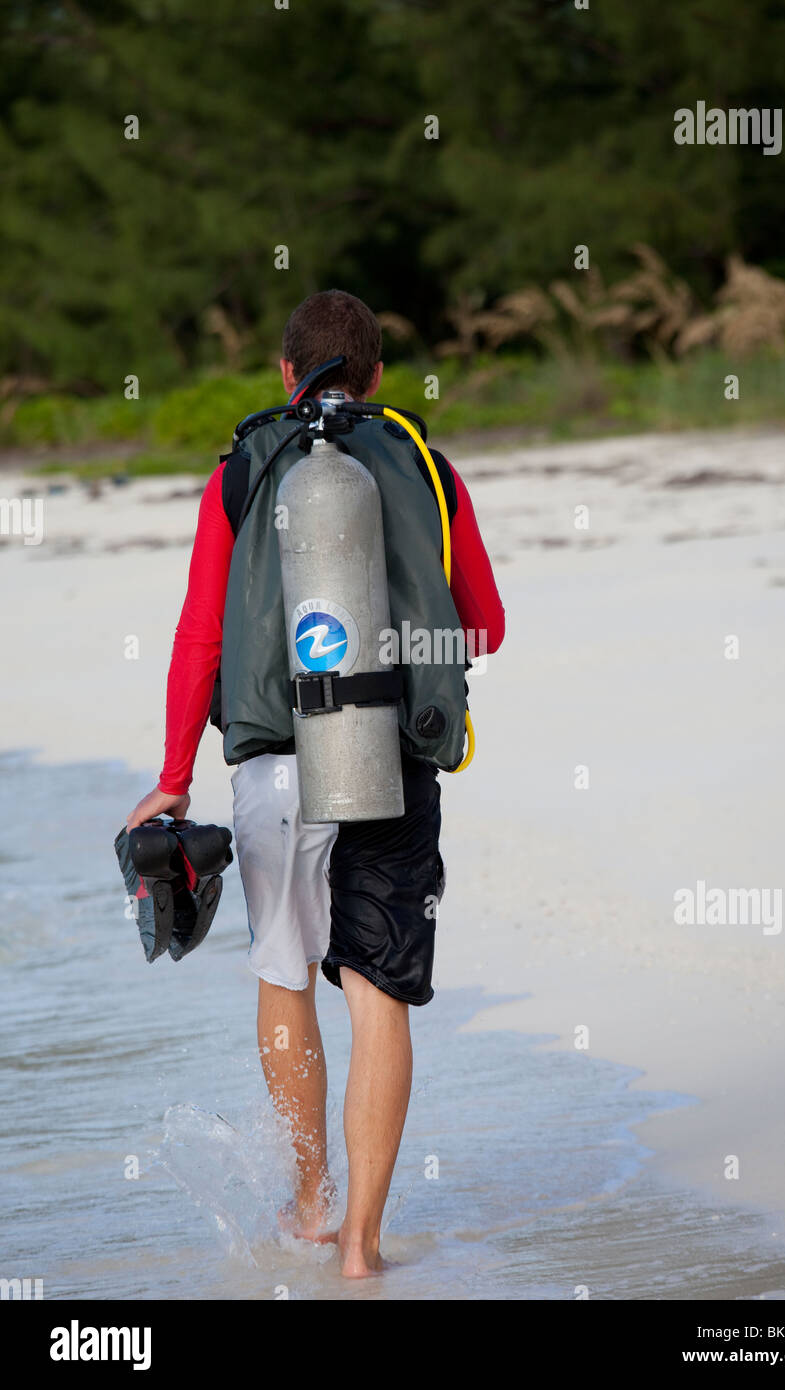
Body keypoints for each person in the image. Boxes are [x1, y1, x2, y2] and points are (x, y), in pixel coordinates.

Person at [127, 289, 505, 1276]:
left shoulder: (242, 467)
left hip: (274, 765)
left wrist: (171, 779)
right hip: (392, 754)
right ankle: (361, 1253)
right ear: (377, 377)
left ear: (286, 378)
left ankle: (309, 1201)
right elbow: (486, 625)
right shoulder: (426, 462)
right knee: (379, 992)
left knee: (285, 973)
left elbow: (201, 636)